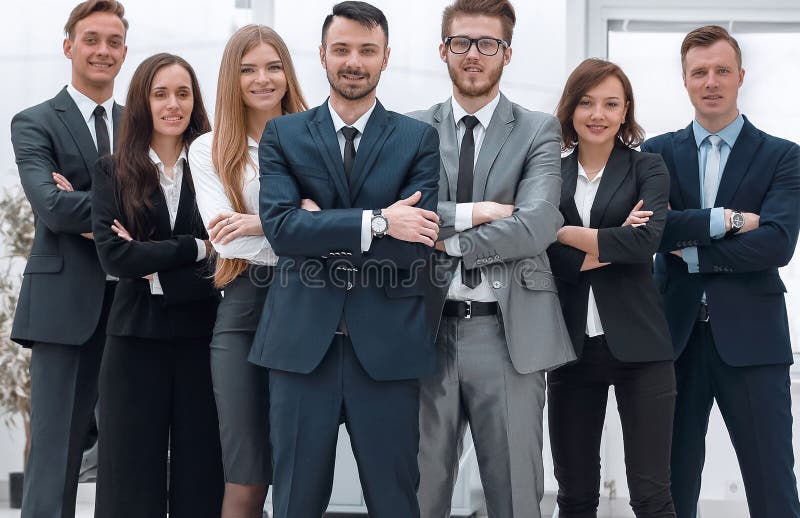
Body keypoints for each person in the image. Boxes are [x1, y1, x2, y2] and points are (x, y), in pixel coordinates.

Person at [250, 2, 441, 516]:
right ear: (322, 55)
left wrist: (320, 222)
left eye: (366, 50)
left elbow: (412, 243)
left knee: (395, 500)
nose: (353, 61)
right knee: (294, 501)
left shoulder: (417, 139)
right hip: (299, 346)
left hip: (387, 347)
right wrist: (377, 220)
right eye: (342, 50)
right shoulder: (283, 135)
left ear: (385, 58)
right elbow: (283, 230)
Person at [408, 1, 574, 516]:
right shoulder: (409, 129)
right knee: (419, 493)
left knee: (515, 498)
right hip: (423, 332)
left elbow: (538, 222)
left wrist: (449, 239)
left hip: (507, 334)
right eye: (462, 42)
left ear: (507, 53)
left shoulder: (538, 129)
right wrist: (476, 211)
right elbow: (398, 216)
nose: (473, 54)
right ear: (443, 50)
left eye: (488, 44)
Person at [641, 25, 800, 518]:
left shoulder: (783, 155)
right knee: (669, 482)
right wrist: (727, 225)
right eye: (700, 72)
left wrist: (690, 254)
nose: (711, 81)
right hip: (672, 340)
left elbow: (776, 243)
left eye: (722, 71)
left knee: (773, 482)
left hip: (753, 343)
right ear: (685, 80)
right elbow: (654, 232)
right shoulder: (656, 153)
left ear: (740, 77)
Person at [90, 53, 224, 518]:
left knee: (202, 476)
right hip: (132, 342)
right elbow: (115, 256)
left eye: (183, 93)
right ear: (142, 101)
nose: (173, 104)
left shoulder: (216, 168)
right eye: (160, 93)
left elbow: (230, 259)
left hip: (202, 341)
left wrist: (154, 267)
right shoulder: (111, 170)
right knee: (128, 479)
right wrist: (194, 247)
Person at [9, 1, 127, 516]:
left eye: (114, 41)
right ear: (69, 46)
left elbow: (162, 211)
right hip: (63, 308)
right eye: (92, 39)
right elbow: (53, 209)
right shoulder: (34, 122)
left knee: (128, 452)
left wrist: (86, 198)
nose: (103, 50)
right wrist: (123, 208)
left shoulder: (139, 124)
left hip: (133, 304)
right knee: (55, 452)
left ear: (124, 51)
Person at [546, 58, 676, 518]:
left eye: (611, 103)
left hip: (642, 352)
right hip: (570, 350)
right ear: (571, 109)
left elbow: (645, 243)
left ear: (625, 113)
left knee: (651, 495)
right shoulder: (548, 173)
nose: (598, 113)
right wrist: (612, 238)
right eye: (587, 102)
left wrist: (559, 231)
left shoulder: (648, 167)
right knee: (574, 495)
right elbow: (539, 255)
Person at [188, 24, 307, 518]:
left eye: (273, 66)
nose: (263, 79)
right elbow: (222, 235)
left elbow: (338, 227)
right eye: (248, 69)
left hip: (309, 302)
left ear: (288, 72)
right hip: (242, 305)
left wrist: (259, 221)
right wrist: (301, 221)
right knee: (246, 471)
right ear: (231, 80)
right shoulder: (209, 150)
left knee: (303, 467)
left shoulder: (316, 137)